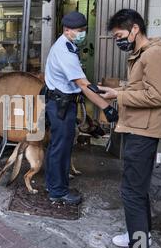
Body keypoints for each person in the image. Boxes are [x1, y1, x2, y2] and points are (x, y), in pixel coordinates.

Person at [98, 9, 161, 248]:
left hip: (145, 132)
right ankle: (139, 237)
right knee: (137, 191)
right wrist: (117, 90)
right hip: (137, 128)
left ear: (135, 29)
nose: (119, 40)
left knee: (132, 193)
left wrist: (118, 96)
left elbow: (158, 96)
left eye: (120, 35)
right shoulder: (143, 54)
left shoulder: (155, 55)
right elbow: (141, 88)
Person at [44, 11, 118, 206]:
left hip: (60, 104)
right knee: (61, 148)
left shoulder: (68, 45)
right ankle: (58, 192)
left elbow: (84, 84)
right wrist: (107, 108)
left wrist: (104, 90)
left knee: (57, 147)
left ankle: (53, 184)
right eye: (80, 31)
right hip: (60, 106)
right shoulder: (64, 51)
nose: (82, 34)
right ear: (67, 30)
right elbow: (84, 85)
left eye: (84, 30)